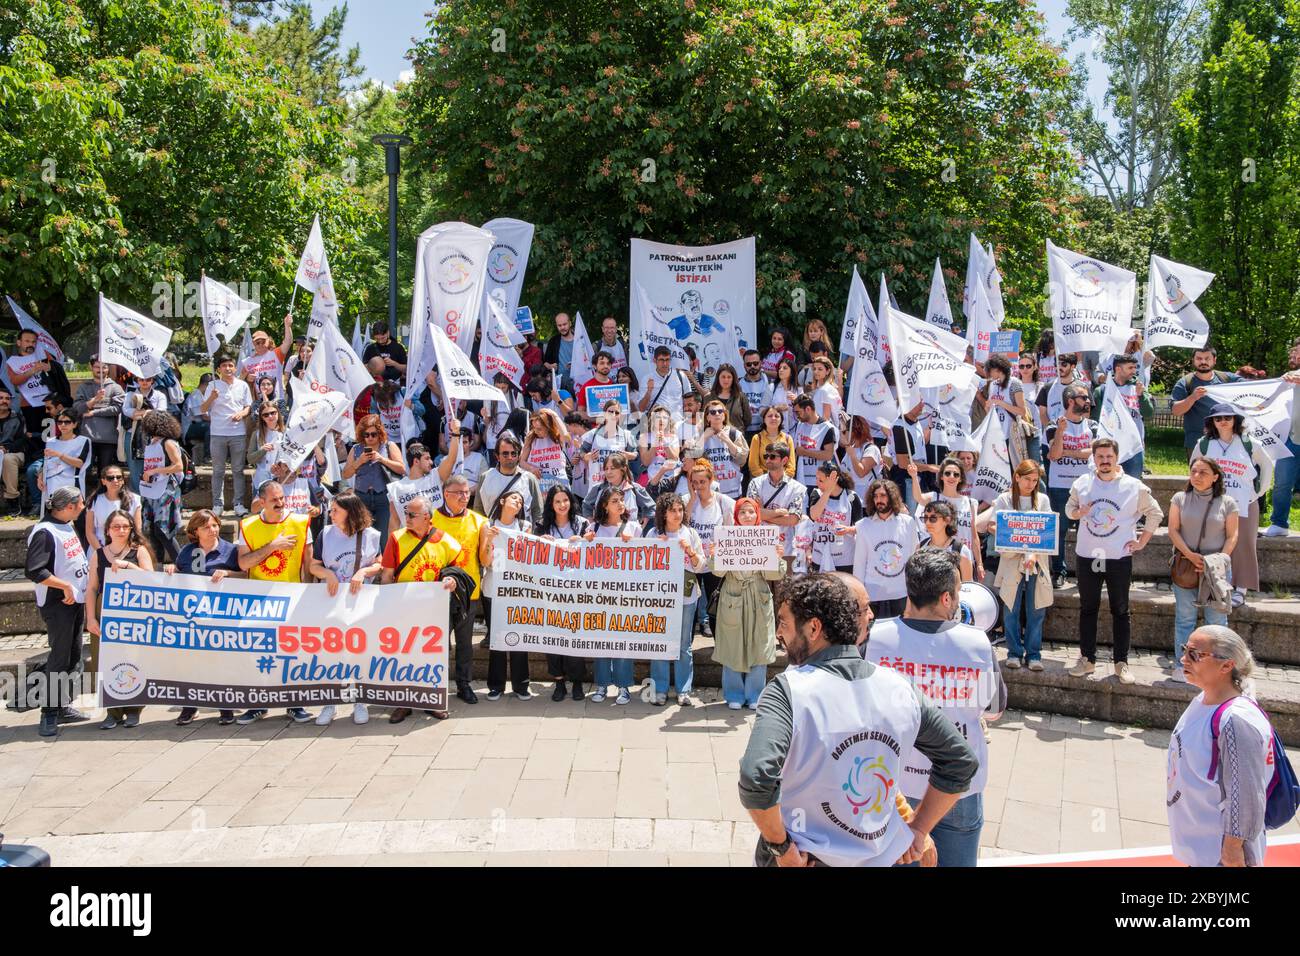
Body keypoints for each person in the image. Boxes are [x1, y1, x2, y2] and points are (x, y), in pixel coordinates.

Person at [738, 573, 978, 867]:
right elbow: (961, 761)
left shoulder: (788, 691)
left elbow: (756, 778)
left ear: (814, 628)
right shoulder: (900, 688)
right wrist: (918, 829)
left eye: (784, 622)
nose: (779, 633)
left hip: (804, 857)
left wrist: (780, 846)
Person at [865, 550, 1005, 866]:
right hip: (957, 788)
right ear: (946, 598)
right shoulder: (976, 644)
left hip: (890, 784)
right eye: (957, 592)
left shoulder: (875, 637)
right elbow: (993, 709)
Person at [1167, 626, 1276, 867]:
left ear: (1227, 666)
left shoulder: (1236, 720)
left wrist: (1232, 850)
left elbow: (1246, 794)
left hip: (1221, 856)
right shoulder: (1205, 700)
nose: (1183, 659)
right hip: (1203, 848)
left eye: (1195, 654)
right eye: (1186, 650)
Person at [1066, 438, 1163, 683]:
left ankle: (1121, 662)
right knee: (1088, 609)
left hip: (1118, 557)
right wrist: (1079, 513)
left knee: (1120, 610)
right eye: (1100, 457)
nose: (1105, 461)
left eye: (1109, 456)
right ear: (1094, 459)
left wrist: (1142, 541)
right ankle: (1087, 659)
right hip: (1089, 555)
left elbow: (1156, 513)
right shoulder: (1083, 483)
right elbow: (1069, 510)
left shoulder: (1133, 486)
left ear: (1116, 457)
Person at [235, 480, 314, 724]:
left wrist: (308, 594)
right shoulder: (248, 526)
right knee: (259, 654)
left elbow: (307, 563)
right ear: (261, 502)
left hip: (291, 597)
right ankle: (258, 703)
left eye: (282, 498)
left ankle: (294, 702)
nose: (280, 503)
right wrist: (272, 546)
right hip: (260, 600)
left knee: (291, 653)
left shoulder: (300, 522)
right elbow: (244, 563)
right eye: (274, 500)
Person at [381, 494, 463, 722]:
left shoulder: (444, 540)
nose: (406, 517)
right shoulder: (396, 539)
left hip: (434, 610)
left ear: (427, 517)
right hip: (403, 608)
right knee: (403, 654)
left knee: (434, 655)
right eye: (406, 513)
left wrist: (453, 581)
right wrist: (387, 604)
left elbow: (457, 569)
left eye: (411, 514)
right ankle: (403, 702)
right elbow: (387, 574)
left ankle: (432, 701)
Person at [308, 492, 384, 725]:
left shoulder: (371, 535)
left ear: (350, 512)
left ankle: (359, 702)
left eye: (335, 511)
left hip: (359, 603)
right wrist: (327, 573)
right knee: (331, 654)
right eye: (331, 510)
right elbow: (314, 565)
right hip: (331, 601)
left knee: (358, 652)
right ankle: (329, 704)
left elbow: (379, 564)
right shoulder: (326, 534)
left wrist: (363, 572)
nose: (330, 514)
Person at [164, 509, 244, 725]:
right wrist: (172, 569)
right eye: (206, 527)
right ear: (195, 531)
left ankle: (225, 707)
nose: (212, 530)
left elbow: (245, 576)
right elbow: (180, 574)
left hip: (221, 617)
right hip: (193, 618)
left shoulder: (230, 550)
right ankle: (190, 707)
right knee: (191, 662)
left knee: (220, 662)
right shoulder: (187, 551)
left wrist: (228, 573)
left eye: (215, 525)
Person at [25, 486, 90, 737]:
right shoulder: (44, 532)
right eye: (81, 503)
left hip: (74, 601)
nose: (83, 508)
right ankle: (48, 712)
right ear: (70, 506)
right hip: (58, 604)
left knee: (73, 656)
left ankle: (62, 705)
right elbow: (35, 571)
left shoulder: (65, 525)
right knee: (60, 658)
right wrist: (65, 586)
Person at [977, 459, 1054, 670]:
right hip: (1011, 560)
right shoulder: (1005, 499)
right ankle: (1014, 651)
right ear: (1017, 477)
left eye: (1035, 480)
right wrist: (1014, 536)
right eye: (1027, 479)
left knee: (1036, 607)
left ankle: (1034, 654)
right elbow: (991, 525)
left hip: (1037, 560)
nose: (1031, 484)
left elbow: (1047, 530)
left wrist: (1033, 552)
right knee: (1011, 606)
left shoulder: (1043, 500)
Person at [1167, 458, 1238, 682]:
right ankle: (1184, 663)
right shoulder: (1180, 498)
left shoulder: (1228, 502)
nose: (1197, 476)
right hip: (1186, 565)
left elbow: (1232, 535)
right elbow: (1173, 530)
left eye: (1203, 472)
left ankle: (1218, 667)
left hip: (1216, 570)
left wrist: (1220, 559)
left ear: (1215, 476)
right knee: (1185, 619)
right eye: (1194, 471)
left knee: (1216, 621)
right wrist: (1190, 555)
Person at [84, 509, 154, 729]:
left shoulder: (138, 551)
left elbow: (152, 580)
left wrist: (130, 566)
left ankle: (134, 709)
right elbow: (92, 588)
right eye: (116, 526)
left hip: (133, 613)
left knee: (134, 660)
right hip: (105, 612)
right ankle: (112, 711)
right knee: (106, 660)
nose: (121, 530)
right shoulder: (99, 553)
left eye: (125, 526)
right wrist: (90, 619)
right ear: (108, 530)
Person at [1191, 403, 1265, 607]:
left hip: (1245, 502)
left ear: (1235, 420)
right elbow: (1194, 467)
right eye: (1218, 418)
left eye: (1228, 418)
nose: (1223, 422)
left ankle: (1242, 587)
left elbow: (1266, 467)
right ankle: (1216, 583)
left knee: (1244, 544)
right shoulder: (1204, 444)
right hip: (1213, 502)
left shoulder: (1249, 443)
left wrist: (1259, 492)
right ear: (1212, 422)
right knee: (1214, 543)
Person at [713, 497, 780, 709]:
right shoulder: (728, 537)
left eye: (751, 512)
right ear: (736, 516)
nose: (747, 516)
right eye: (742, 512)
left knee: (760, 645)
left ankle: (755, 694)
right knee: (732, 645)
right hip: (733, 596)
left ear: (757, 514)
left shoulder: (766, 537)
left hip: (758, 597)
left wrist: (775, 557)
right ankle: (734, 694)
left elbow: (774, 574)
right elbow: (718, 571)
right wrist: (716, 555)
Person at [429, 473, 489, 706]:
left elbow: (484, 559)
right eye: (459, 493)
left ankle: (464, 684)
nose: (465, 497)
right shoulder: (431, 519)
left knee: (465, 642)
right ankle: (438, 685)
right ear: (446, 494)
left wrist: (488, 541)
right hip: (438, 592)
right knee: (440, 642)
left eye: (467, 493)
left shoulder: (479, 521)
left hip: (468, 593)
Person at [647, 491, 708, 707]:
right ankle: (660, 689)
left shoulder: (690, 533)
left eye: (680, 509)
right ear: (663, 513)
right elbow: (644, 566)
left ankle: (684, 690)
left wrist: (691, 552)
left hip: (686, 596)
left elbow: (702, 566)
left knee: (684, 645)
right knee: (659, 643)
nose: (677, 514)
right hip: (660, 597)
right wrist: (657, 548)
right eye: (672, 510)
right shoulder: (654, 534)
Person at [584, 485, 640, 705]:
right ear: (605, 505)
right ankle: (602, 684)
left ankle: (624, 686)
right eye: (614, 500)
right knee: (601, 640)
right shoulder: (593, 528)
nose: (620, 504)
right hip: (599, 593)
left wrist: (633, 543)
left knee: (623, 639)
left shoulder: (633, 527)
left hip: (624, 594)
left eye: (621, 499)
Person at [479, 490, 534, 702]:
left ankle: (521, 686)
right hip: (494, 588)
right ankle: (496, 686)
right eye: (514, 498)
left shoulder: (525, 527)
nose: (518, 502)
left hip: (518, 589)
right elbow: (484, 561)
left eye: (520, 501)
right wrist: (489, 541)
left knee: (519, 638)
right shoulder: (488, 526)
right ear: (502, 501)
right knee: (497, 639)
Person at [536, 485, 590, 700]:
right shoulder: (542, 526)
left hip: (576, 591)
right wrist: (541, 543)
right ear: (551, 504)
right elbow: (533, 556)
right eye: (557, 501)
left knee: (574, 636)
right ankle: (559, 682)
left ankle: (577, 682)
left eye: (565, 500)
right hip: (550, 591)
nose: (562, 505)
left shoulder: (582, 524)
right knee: (553, 637)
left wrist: (584, 541)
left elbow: (593, 553)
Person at [1044, 383, 1099, 587]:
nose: (1088, 401)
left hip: (1086, 486)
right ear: (1070, 400)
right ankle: (1059, 570)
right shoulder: (1053, 426)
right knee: (1060, 531)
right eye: (1083, 397)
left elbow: (1093, 452)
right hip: (1060, 486)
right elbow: (1055, 454)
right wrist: (1061, 433)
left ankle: (1089, 571)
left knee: (1089, 530)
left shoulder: (1093, 426)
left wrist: (1069, 451)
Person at [852, 479, 921, 619]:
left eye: (883, 496)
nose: (879, 500)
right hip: (873, 595)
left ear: (892, 497)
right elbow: (859, 564)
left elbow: (914, 557)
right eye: (875, 496)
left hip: (901, 594)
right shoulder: (863, 525)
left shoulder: (908, 523)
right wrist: (859, 598)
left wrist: (913, 593)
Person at [906, 455, 983, 581]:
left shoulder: (970, 503)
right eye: (947, 473)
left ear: (960, 479)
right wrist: (914, 476)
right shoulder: (934, 497)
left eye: (956, 474)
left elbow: (974, 536)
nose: (951, 477)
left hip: (964, 558)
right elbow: (918, 497)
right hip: (939, 558)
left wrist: (979, 563)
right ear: (941, 476)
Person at [683, 460, 734, 637]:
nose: (698, 486)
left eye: (702, 482)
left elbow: (731, 530)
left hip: (714, 563)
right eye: (694, 482)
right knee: (689, 605)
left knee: (715, 605)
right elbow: (682, 526)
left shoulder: (724, 502)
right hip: (691, 561)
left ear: (711, 480)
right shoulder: (686, 500)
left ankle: (719, 646)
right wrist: (691, 499)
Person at [200, 353, 253, 517]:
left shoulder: (242, 385)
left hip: (238, 432)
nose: (228, 368)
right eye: (224, 366)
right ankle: (217, 504)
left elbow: (248, 406)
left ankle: (238, 503)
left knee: (238, 469)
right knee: (218, 470)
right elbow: (203, 409)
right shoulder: (213, 385)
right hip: (217, 433)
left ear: (235, 367)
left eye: (230, 365)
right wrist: (212, 397)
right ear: (219, 369)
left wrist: (242, 414)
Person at [1170, 346, 1241, 460]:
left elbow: (1253, 387)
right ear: (1193, 360)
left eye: (1207, 358)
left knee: (1227, 476)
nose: (1203, 362)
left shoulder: (1227, 379)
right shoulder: (1185, 382)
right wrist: (1192, 397)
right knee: (1199, 476)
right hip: (1197, 442)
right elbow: (1175, 411)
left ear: (1214, 360)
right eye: (1199, 358)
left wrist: (1279, 382)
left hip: (1228, 441)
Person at [342, 413, 405, 540]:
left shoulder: (388, 446)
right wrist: (359, 461)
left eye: (373, 434)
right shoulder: (356, 449)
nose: (370, 438)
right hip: (361, 497)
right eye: (366, 434)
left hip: (383, 496)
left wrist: (382, 459)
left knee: (383, 537)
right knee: (362, 536)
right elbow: (345, 474)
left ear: (380, 433)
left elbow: (402, 468)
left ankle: (382, 560)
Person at [747, 439, 806, 574]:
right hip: (760, 549)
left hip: (785, 551)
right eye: (766, 456)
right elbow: (751, 514)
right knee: (762, 594)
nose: (768, 459)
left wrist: (764, 515)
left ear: (784, 460)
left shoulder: (798, 488)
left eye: (772, 456)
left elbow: (792, 520)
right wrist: (779, 512)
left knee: (785, 594)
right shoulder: (755, 484)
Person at [134, 410, 184, 564]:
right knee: (152, 532)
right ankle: (158, 566)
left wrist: (155, 471)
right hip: (151, 490)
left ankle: (182, 563)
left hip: (166, 490)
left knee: (163, 531)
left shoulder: (168, 443)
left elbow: (178, 466)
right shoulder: (151, 443)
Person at [1092, 353, 1153, 479]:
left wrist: (1141, 396)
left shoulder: (1137, 387)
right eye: (1130, 368)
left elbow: (1148, 413)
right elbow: (1095, 420)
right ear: (1118, 369)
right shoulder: (1102, 390)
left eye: (1135, 367)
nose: (1134, 371)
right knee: (1107, 482)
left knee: (1132, 483)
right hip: (1108, 447)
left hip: (1134, 447)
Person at [1263, 337, 1300, 536]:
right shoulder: (1291, 375)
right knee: (1282, 484)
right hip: (1291, 439)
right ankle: (1279, 524)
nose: (1297, 354)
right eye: (1297, 351)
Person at [474, 429, 543, 526]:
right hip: (492, 532)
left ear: (519, 456)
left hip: (520, 535)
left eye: (514, 453)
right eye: (505, 454)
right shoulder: (485, 477)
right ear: (497, 456)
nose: (510, 457)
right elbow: (478, 510)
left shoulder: (529, 479)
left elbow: (538, 511)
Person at [807, 460, 862, 573]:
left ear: (834, 480)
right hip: (820, 555)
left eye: (821, 480)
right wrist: (828, 491)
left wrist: (847, 529)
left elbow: (860, 527)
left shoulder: (851, 497)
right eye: (816, 479)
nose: (817, 483)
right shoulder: (817, 494)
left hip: (844, 558)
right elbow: (814, 515)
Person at [73, 358, 125, 478]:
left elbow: (117, 409)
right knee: (83, 474)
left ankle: (102, 496)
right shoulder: (83, 387)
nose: (101, 370)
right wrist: (94, 400)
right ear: (91, 367)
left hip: (108, 439)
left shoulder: (115, 387)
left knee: (105, 476)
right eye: (97, 367)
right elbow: (77, 409)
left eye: (104, 367)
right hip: (86, 438)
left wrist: (93, 412)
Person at [35, 408, 90, 514]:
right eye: (60, 422)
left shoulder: (83, 441)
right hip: (52, 484)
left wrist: (59, 455)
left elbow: (80, 463)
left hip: (72, 483)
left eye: (67, 422)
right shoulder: (51, 441)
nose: (63, 425)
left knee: (78, 519)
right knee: (52, 517)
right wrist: (40, 476)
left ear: (75, 424)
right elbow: (47, 462)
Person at [690, 399, 747, 498]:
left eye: (720, 411)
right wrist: (704, 437)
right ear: (707, 417)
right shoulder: (699, 434)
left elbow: (742, 460)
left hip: (732, 490)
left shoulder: (734, 434)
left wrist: (728, 441)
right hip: (708, 490)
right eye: (713, 412)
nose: (717, 414)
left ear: (724, 415)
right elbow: (691, 457)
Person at [581, 452, 656, 524]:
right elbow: (586, 506)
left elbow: (651, 507)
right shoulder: (598, 489)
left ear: (623, 470)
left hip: (628, 535)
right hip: (603, 535)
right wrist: (591, 523)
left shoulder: (635, 488)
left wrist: (641, 524)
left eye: (612, 468)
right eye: (606, 468)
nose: (608, 472)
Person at [237, 313, 293, 397]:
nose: (260, 344)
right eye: (257, 342)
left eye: (263, 341)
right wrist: (246, 378)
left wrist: (287, 326)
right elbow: (239, 381)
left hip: (276, 401)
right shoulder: (247, 361)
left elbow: (288, 342)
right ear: (253, 344)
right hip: (258, 402)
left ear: (269, 341)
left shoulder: (276, 354)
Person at [791, 394, 838, 492]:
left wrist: (805, 452)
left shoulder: (827, 428)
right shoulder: (799, 425)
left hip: (819, 481)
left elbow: (828, 455)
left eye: (798, 412)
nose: (796, 415)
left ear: (808, 409)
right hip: (801, 478)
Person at [917, 501, 973, 582]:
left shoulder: (960, 550)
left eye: (933, 518)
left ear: (947, 520)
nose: (928, 522)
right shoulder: (920, 547)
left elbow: (967, 587)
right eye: (925, 518)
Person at [519, 407, 571, 492]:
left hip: (558, 481)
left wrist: (555, 416)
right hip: (539, 483)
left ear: (548, 427)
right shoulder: (531, 438)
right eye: (534, 427)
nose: (536, 431)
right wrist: (532, 468)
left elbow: (566, 437)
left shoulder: (556, 437)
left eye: (539, 429)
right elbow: (522, 462)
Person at [638, 345, 700, 415]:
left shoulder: (681, 376)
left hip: (677, 423)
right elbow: (641, 408)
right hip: (656, 422)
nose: (665, 363)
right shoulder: (646, 379)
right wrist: (649, 391)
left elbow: (689, 402)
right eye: (661, 360)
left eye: (667, 360)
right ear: (655, 360)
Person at [638, 404, 682, 492]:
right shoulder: (644, 437)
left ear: (669, 421)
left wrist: (665, 443)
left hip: (670, 480)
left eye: (665, 418)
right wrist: (655, 444)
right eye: (658, 417)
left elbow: (674, 459)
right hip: (652, 480)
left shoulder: (673, 437)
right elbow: (645, 462)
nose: (661, 420)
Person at [747, 406, 796, 481]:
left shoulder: (788, 439)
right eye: (770, 416)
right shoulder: (757, 438)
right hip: (762, 481)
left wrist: (781, 479)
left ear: (781, 420)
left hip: (783, 481)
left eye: (777, 416)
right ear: (764, 419)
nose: (773, 418)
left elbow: (791, 466)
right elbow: (753, 465)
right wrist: (767, 480)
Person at [247, 401, 285, 495]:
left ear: (278, 413)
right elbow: (250, 459)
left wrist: (282, 467)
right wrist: (262, 451)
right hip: (262, 480)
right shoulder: (257, 434)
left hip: (282, 479)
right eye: (266, 415)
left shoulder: (286, 433)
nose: (270, 416)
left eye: (273, 413)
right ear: (262, 417)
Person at [0, 389, 27, 515]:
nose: (4, 401)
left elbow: (22, 440)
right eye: (1, 398)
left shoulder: (18, 418)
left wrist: (7, 449)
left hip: (14, 453)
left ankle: (12, 499)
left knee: (8, 459)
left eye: (7, 398)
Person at [706, 364, 752, 434]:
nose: (726, 380)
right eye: (723, 377)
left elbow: (747, 420)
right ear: (718, 378)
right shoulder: (708, 397)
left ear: (733, 379)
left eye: (729, 377)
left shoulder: (741, 397)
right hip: (713, 439)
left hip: (736, 440)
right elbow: (703, 420)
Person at [738, 350, 770, 441]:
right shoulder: (737, 384)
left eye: (755, 363)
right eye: (748, 364)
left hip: (765, 430)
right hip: (744, 432)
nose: (752, 366)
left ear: (761, 363)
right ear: (744, 365)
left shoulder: (769, 383)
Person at [543, 312, 577, 390]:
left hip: (578, 381)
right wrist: (550, 366)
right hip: (560, 383)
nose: (562, 327)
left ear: (570, 323)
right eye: (559, 325)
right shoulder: (553, 341)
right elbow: (545, 362)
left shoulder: (579, 339)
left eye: (564, 324)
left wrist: (576, 364)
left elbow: (588, 360)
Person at [767, 357, 801, 434]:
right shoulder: (771, 387)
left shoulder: (798, 389)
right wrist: (775, 408)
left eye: (785, 368)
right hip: (776, 431)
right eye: (779, 368)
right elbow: (762, 410)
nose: (781, 370)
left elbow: (804, 411)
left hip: (795, 431)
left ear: (792, 372)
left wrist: (796, 401)